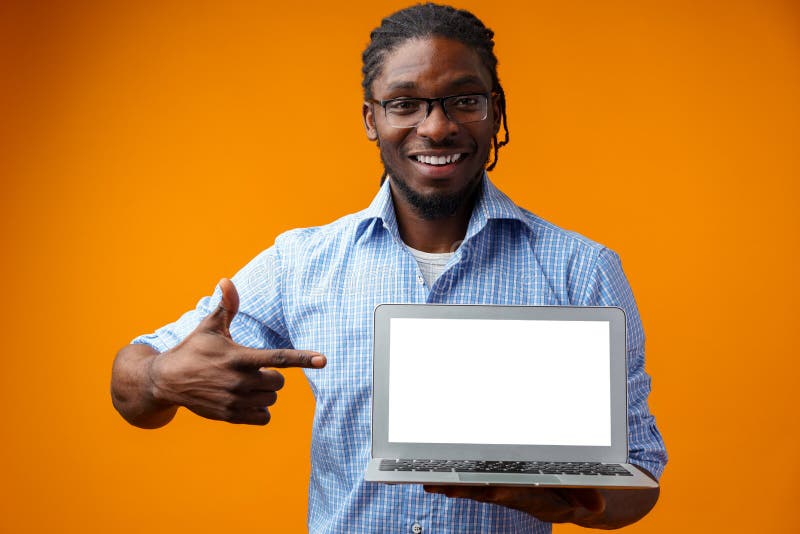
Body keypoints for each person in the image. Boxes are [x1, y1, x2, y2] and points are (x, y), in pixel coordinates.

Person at [111, 3, 667, 532]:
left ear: (495, 110)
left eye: (464, 100)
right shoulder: (300, 263)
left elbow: (641, 473)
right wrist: (163, 378)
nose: (436, 127)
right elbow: (131, 387)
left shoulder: (580, 269)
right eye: (405, 103)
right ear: (370, 119)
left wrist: (571, 503)